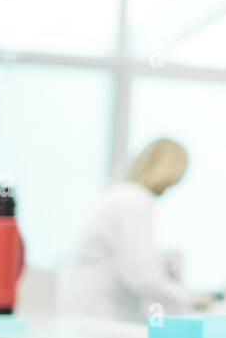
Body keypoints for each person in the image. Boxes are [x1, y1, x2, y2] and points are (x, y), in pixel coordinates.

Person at [63, 138, 203, 322]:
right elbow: (142, 275)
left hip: (89, 307)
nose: (172, 185)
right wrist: (188, 299)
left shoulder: (122, 195)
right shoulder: (135, 200)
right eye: (175, 177)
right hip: (101, 311)